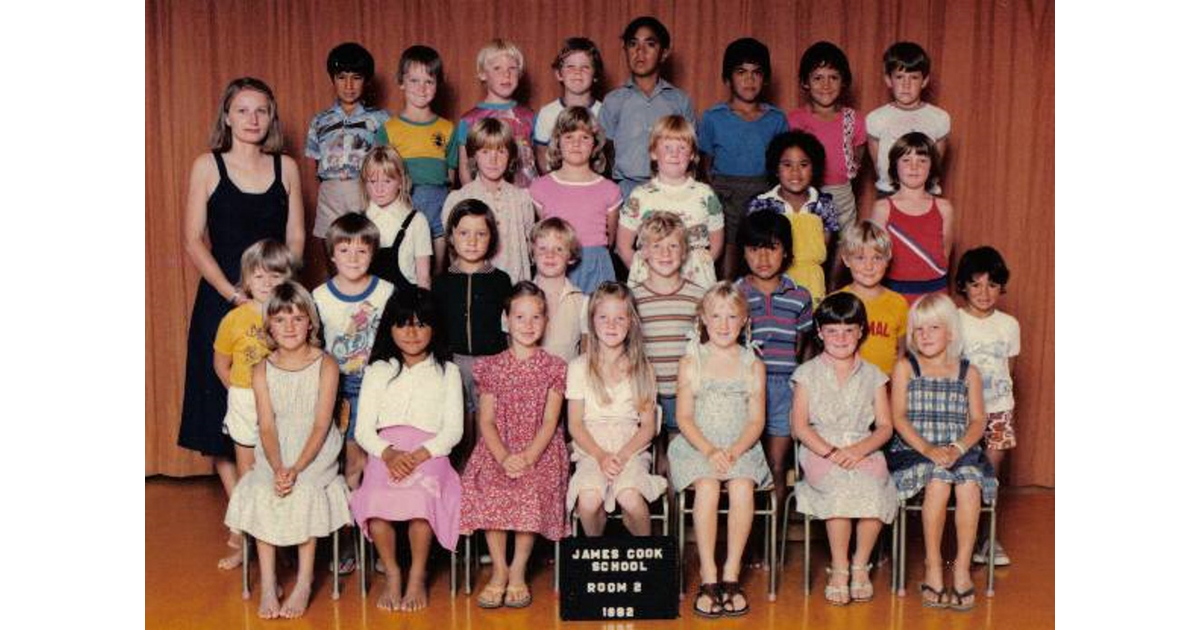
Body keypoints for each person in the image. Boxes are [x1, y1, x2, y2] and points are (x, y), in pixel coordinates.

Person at [178, 77, 304, 571]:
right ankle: (240, 521)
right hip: (224, 301)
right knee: (223, 411)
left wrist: (280, 296)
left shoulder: (286, 167)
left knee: (276, 407)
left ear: (271, 118)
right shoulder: (206, 166)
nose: (253, 119)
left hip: (278, 303)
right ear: (226, 116)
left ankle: (276, 512)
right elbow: (193, 240)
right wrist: (234, 295)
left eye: (262, 111)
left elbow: (295, 236)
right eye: (243, 110)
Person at [224, 281, 352, 620]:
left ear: (310, 322)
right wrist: (278, 465)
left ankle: (305, 581)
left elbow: (322, 424)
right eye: (280, 320)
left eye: (297, 318)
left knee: (303, 490)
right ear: (269, 326)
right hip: (276, 445)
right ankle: (268, 583)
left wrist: (295, 469)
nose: (290, 327)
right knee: (263, 487)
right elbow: (266, 425)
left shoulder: (326, 364)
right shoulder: (261, 369)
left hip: (315, 446)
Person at [351, 288, 463, 613]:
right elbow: (363, 430)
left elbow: (453, 430)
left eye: (420, 324)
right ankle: (393, 572)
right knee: (375, 501)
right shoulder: (378, 371)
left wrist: (420, 455)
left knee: (420, 500)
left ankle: (417, 573)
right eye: (402, 325)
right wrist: (388, 454)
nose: (411, 333)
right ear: (390, 328)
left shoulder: (448, 372)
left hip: (431, 453)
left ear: (434, 328)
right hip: (386, 450)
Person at [459, 282, 570, 610]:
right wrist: (505, 456)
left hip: (540, 446)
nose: (528, 324)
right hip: (499, 446)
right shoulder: (491, 366)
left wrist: (528, 457)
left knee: (529, 488)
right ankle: (499, 569)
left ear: (547, 321)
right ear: (506, 320)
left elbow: (551, 421)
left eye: (536, 317)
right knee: (490, 486)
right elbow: (487, 420)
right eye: (520, 316)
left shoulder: (555, 368)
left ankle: (519, 568)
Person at [886, 294, 997, 612]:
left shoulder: (968, 372)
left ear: (951, 332)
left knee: (969, 484)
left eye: (934, 327)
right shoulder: (906, 367)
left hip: (960, 450)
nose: (926, 335)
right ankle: (933, 564)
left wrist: (958, 447)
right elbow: (899, 418)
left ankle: (961, 567)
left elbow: (978, 420)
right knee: (938, 482)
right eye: (919, 330)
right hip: (915, 451)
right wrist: (928, 449)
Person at [668, 281, 770, 618]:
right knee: (708, 489)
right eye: (716, 316)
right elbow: (683, 417)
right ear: (702, 320)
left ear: (744, 321)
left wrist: (735, 450)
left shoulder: (752, 363)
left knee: (742, 488)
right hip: (698, 444)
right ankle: (708, 575)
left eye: (732, 317)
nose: (724, 325)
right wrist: (711, 451)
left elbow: (756, 421)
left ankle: (731, 574)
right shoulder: (691, 360)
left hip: (741, 445)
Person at [790, 292, 898, 606]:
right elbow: (800, 426)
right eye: (833, 331)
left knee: (874, 489)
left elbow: (885, 426)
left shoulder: (875, 376)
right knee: (838, 489)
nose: (841, 337)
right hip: (821, 448)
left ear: (861, 331)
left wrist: (860, 450)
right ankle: (839, 568)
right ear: (820, 333)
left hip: (863, 448)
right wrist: (831, 452)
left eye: (849, 330)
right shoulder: (806, 374)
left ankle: (859, 565)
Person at [566, 282, 666, 536]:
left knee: (630, 497)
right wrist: (600, 456)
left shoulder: (642, 369)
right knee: (588, 501)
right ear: (591, 321)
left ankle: (645, 554)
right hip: (591, 448)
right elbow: (575, 424)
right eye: (603, 317)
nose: (611, 325)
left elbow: (648, 426)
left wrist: (621, 456)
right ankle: (598, 555)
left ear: (631, 322)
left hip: (630, 447)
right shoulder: (579, 367)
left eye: (620, 318)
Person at [734, 211, 814, 511]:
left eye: (772, 247)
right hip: (745, 389)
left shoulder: (800, 296)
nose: (763, 257)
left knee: (777, 466)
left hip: (784, 390)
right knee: (747, 469)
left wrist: (800, 389)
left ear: (787, 251)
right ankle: (750, 544)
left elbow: (806, 347)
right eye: (754, 248)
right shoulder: (735, 294)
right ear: (743, 252)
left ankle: (772, 549)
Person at [313, 213, 396, 494]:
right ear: (332, 254)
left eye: (362, 251)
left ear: (373, 254)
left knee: (366, 455)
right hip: (334, 387)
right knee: (341, 456)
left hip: (376, 385)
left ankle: (366, 511)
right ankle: (347, 513)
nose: (353, 258)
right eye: (344, 250)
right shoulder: (320, 296)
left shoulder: (386, 292)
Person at [213, 239, 297, 511]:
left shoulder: (293, 314)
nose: (266, 283)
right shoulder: (233, 319)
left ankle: (278, 532)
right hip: (245, 398)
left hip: (281, 398)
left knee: (278, 462)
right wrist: (239, 391)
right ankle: (246, 534)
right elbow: (221, 364)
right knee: (248, 468)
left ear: (288, 278)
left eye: (275, 275)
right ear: (246, 281)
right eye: (258, 276)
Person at [699, 37, 789, 280]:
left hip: (763, 191)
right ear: (728, 78)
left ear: (766, 79)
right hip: (725, 193)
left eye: (756, 73)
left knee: (762, 250)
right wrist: (714, 198)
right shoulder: (713, 117)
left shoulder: (777, 119)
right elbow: (705, 165)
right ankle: (725, 299)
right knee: (728, 253)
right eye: (741, 72)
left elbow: (782, 164)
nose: (749, 79)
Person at [431, 199, 512, 460]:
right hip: (453, 363)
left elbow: (509, 328)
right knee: (457, 428)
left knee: (488, 429)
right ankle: (459, 480)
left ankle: (484, 482)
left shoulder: (500, 281)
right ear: (452, 236)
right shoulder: (442, 283)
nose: (472, 241)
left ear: (492, 238)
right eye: (464, 233)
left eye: (481, 234)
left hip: (491, 363)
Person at [954, 246, 1019, 567]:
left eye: (992, 285)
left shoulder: (1009, 325)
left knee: (989, 477)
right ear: (963, 284)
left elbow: (1010, 369)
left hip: (998, 410)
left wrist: (999, 404)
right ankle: (962, 538)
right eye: (976, 284)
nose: (984, 292)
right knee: (965, 475)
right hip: (963, 413)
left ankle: (987, 537)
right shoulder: (953, 320)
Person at [616, 115, 723, 288]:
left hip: (696, 281)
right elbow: (623, 246)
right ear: (653, 152)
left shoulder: (705, 194)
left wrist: (701, 267)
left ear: (692, 155)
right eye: (667, 147)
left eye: (682, 147)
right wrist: (643, 271)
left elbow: (717, 243)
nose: (674, 154)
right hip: (650, 279)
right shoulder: (640, 196)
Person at [628, 212, 707, 448]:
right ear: (643, 253)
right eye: (657, 246)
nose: (665, 253)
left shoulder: (699, 295)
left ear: (684, 252)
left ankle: (674, 485)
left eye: (673, 246)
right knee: (645, 453)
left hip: (684, 392)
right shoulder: (632, 297)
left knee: (678, 451)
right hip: (643, 393)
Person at [376, 45, 454, 271]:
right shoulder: (388, 129)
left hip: (439, 202)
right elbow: (380, 173)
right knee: (407, 265)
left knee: (438, 269)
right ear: (401, 82)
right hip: (405, 202)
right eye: (414, 81)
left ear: (438, 85)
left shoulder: (447, 128)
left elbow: (450, 175)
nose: (422, 88)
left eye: (429, 81)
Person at [529, 106, 623, 293]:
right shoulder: (540, 187)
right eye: (569, 137)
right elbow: (541, 232)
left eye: (585, 137)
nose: (576, 143)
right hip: (554, 265)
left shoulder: (609, 190)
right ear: (557, 142)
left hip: (596, 268)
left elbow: (611, 238)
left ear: (595, 144)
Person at [599, 15, 695, 198]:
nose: (640, 51)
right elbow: (604, 151)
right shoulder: (613, 100)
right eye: (633, 44)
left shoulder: (680, 101)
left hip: (670, 190)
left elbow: (692, 153)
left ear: (664, 53)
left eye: (650, 44)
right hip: (625, 191)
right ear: (625, 50)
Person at [306, 42, 390, 239]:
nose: (349, 85)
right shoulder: (320, 120)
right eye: (342, 78)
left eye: (356, 78)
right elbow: (317, 163)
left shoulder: (381, 118)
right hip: (331, 190)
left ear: (366, 81)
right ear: (333, 80)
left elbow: (387, 161)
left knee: (367, 241)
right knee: (331, 241)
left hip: (365, 190)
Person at [746, 130, 839, 300]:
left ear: (814, 168)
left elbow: (827, 252)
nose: (795, 173)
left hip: (813, 286)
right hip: (772, 286)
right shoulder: (762, 204)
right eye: (787, 165)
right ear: (775, 168)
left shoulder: (824, 205)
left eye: (803, 165)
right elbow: (753, 251)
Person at [442, 118, 537, 283]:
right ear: (473, 155)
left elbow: (530, 249)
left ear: (510, 156)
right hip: (475, 289)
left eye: (501, 151)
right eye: (485, 151)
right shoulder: (458, 198)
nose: (493, 160)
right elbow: (453, 253)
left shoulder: (522, 198)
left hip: (515, 290)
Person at [788, 41, 867, 234]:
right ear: (805, 82)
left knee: (845, 239)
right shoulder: (794, 119)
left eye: (833, 77)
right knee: (807, 241)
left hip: (841, 191)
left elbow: (857, 159)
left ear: (844, 81)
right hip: (805, 191)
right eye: (818, 78)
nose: (826, 85)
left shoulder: (855, 120)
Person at [868, 132, 954, 304]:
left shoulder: (944, 208)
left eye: (922, 160)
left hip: (935, 297)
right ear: (894, 166)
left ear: (932, 167)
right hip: (893, 297)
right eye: (906, 160)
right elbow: (875, 257)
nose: (914, 167)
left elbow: (944, 255)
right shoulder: (882, 208)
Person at [866, 41, 950, 196]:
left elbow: (936, 164)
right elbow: (880, 167)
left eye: (913, 78)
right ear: (888, 80)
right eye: (899, 77)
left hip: (926, 194)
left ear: (924, 81)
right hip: (889, 192)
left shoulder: (939, 118)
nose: (906, 85)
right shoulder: (876, 118)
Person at [451, 38, 538, 188]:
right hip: (485, 201)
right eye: (497, 68)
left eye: (512, 68)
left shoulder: (530, 117)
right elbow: (465, 169)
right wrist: (474, 199)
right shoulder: (470, 120)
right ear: (483, 74)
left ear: (520, 72)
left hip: (524, 199)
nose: (506, 74)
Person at [833, 221, 909, 376]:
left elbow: (902, 352)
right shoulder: (835, 302)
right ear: (846, 260)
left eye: (877, 258)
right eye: (860, 258)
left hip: (885, 385)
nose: (869, 266)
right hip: (845, 384)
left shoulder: (898, 303)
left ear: (888, 259)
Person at [361, 145, 433, 289]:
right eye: (373, 181)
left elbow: (423, 277)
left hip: (406, 300)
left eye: (387, 181)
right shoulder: (359, 221)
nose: (379, 189)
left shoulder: (417, 221)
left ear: (401, 182)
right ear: (364, 183)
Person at [533, 37, 605, 174]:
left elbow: (607, 157)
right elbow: (542, 156)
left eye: (585, 67)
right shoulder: (547, 113)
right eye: (570, 66)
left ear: (595, 74)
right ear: (559, 74)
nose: (577, 72)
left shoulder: (605, 111)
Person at [530, 218, 589, 362]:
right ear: (533, 253)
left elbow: (586, 352)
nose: (550, 254)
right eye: (543, 248)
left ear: (570, 256)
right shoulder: (518, 298)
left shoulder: (582, 301)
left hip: (568, 381)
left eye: (559, 249)